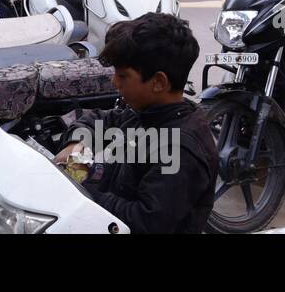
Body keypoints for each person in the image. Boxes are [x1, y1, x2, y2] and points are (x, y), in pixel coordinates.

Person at [53, 13, 217, 234]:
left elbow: (146, 222)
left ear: (158, 82)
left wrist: (85, 184)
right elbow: (99, 120)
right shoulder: (145, 113)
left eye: (122, 76)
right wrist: (76, 143)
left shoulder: (180, 150)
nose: (114, 82)